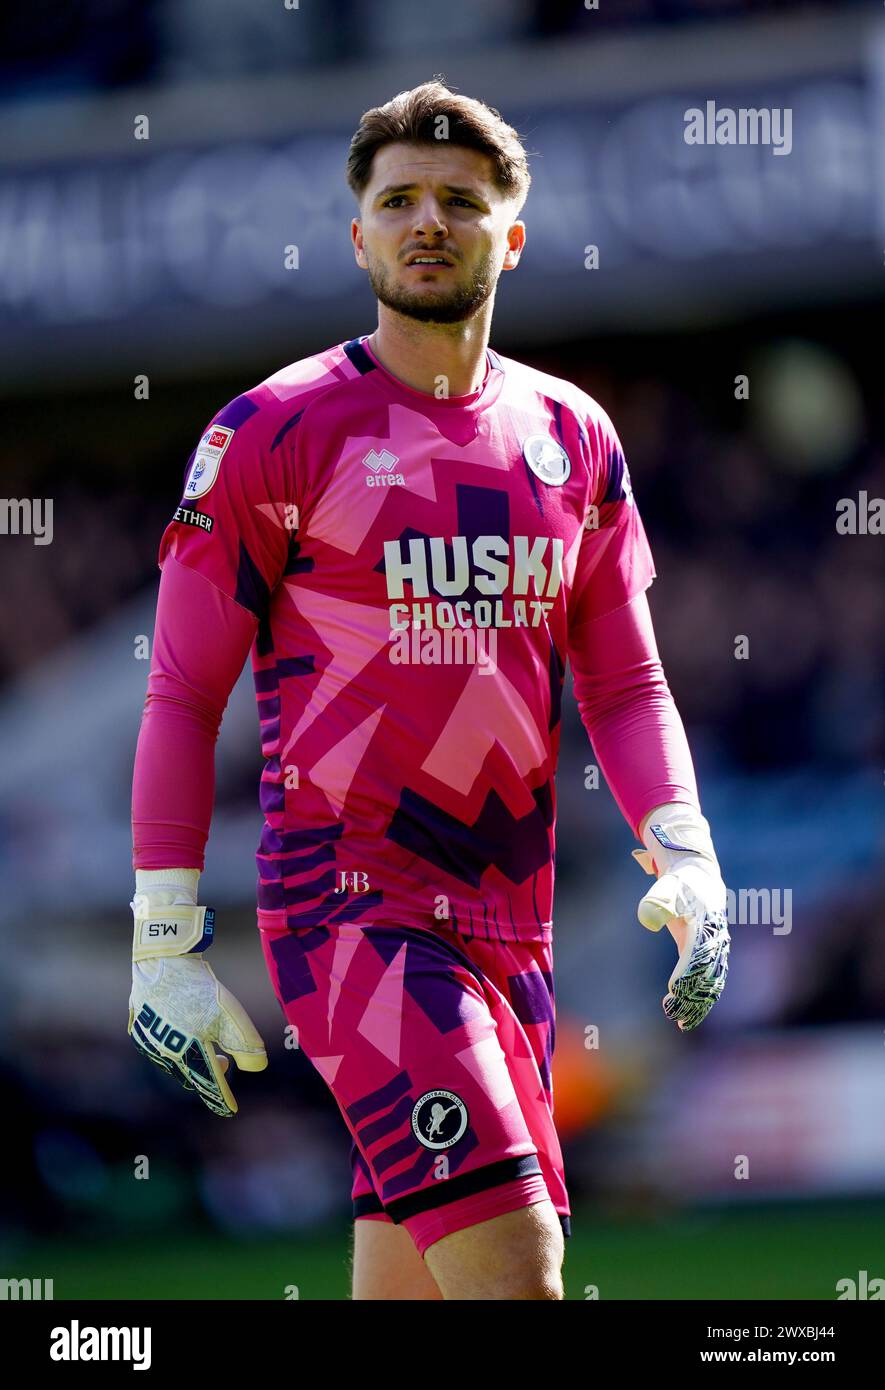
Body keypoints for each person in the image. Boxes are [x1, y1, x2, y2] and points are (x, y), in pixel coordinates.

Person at [129, 80, 730, 1301]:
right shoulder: (272, 432)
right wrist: (161, 933)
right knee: (519, 1276)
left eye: (460, 200)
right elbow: (184, 693)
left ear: (510, 236)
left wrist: (684, 846)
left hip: (514, 924)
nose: (427, 221)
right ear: (358, 239)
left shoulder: (577, 438)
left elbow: (623, 676)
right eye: (397, 199)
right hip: (357, 916)